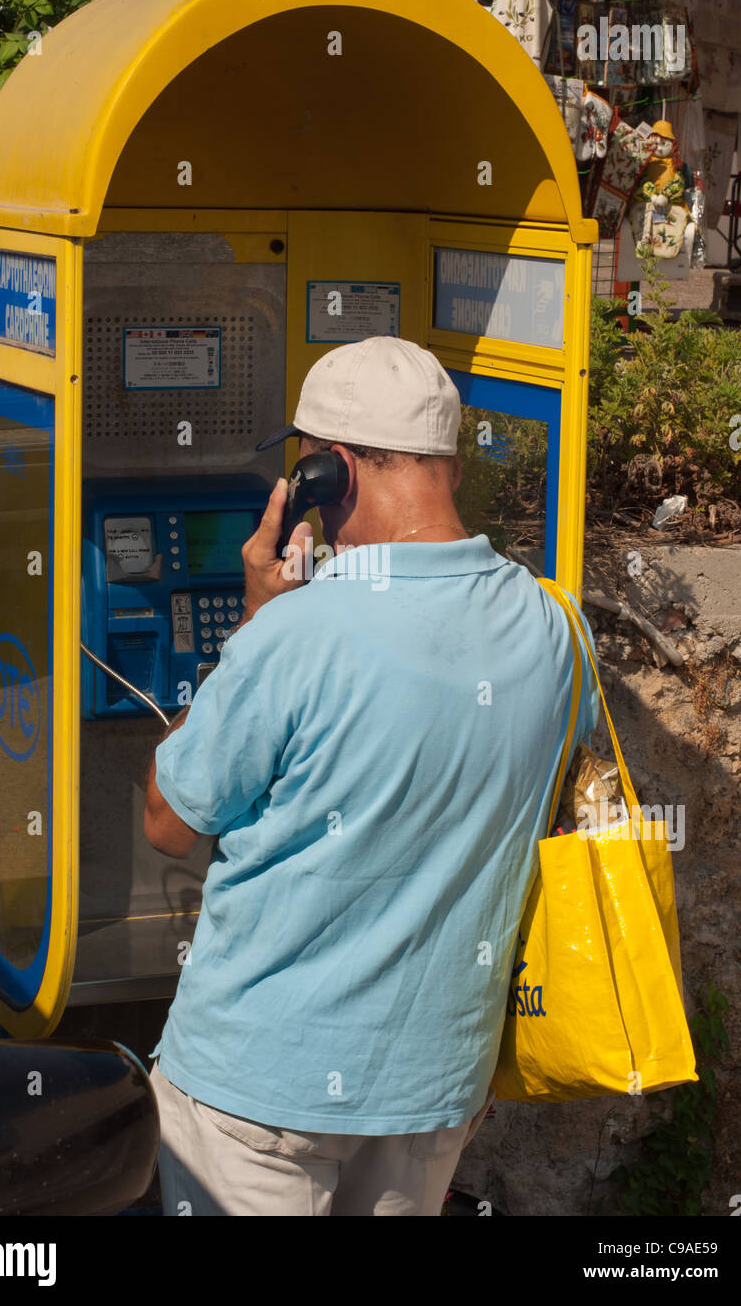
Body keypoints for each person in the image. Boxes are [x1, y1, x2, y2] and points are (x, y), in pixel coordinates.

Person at [144, 335, 599, 1216]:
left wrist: (249, 625)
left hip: (259, 1089)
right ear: (450, 467)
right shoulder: (556, 628)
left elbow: (170, 821)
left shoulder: (294, 634)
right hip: (431, 1087)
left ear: (330, 473)